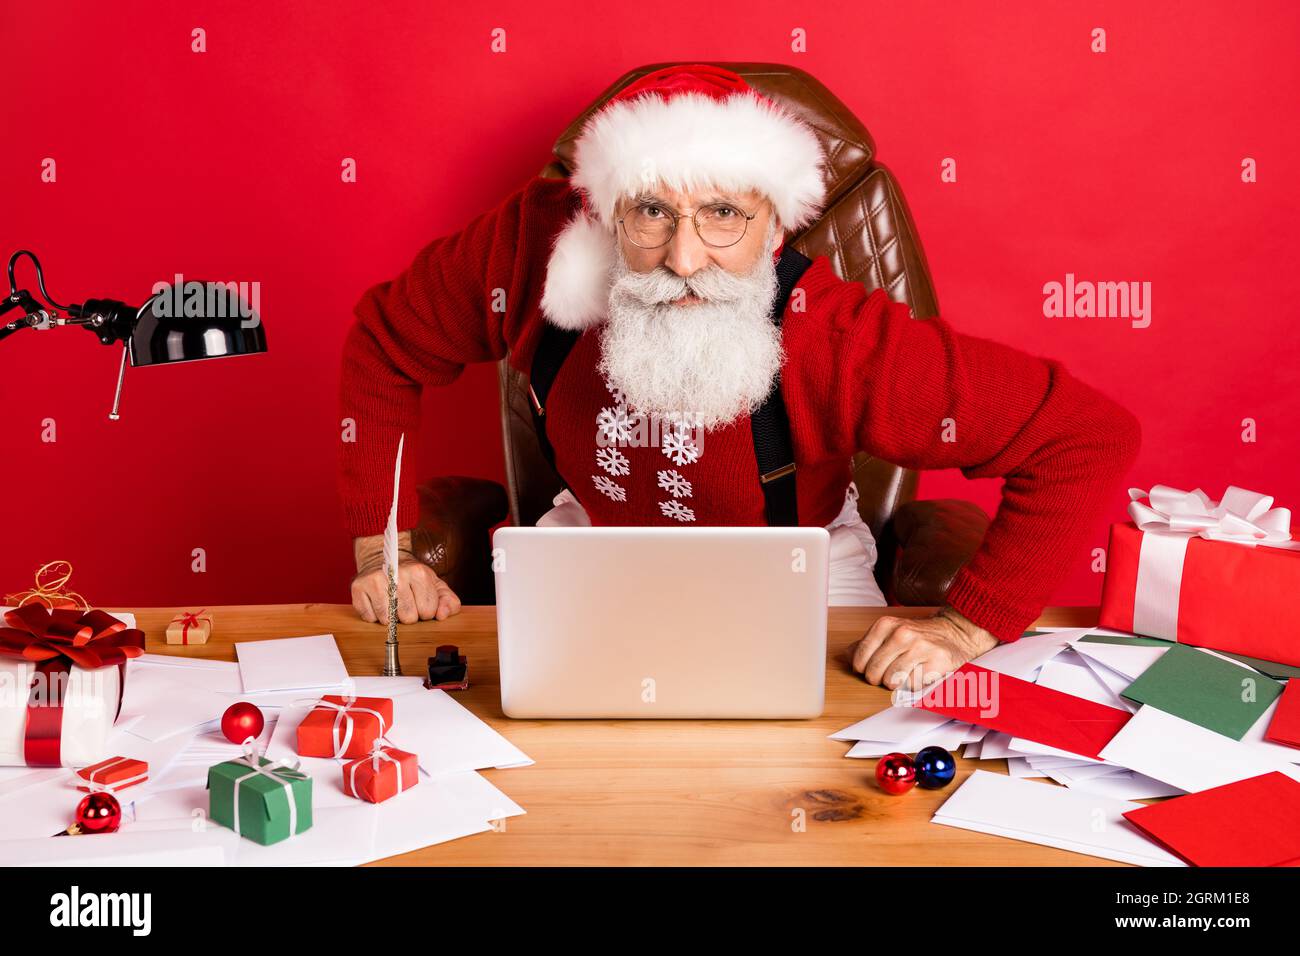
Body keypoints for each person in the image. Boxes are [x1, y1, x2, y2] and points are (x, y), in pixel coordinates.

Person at [339, 64, 1140, 690]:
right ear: (605, 211)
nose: (684, 260)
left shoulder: (839, 339)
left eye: (723, 215)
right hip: (594, 549)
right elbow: (384, 343)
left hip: (797, 564)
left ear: (774, 218)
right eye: (651, 211)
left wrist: (969, 625)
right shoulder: (530, 251)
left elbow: (1083, 437)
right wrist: (383, 548)